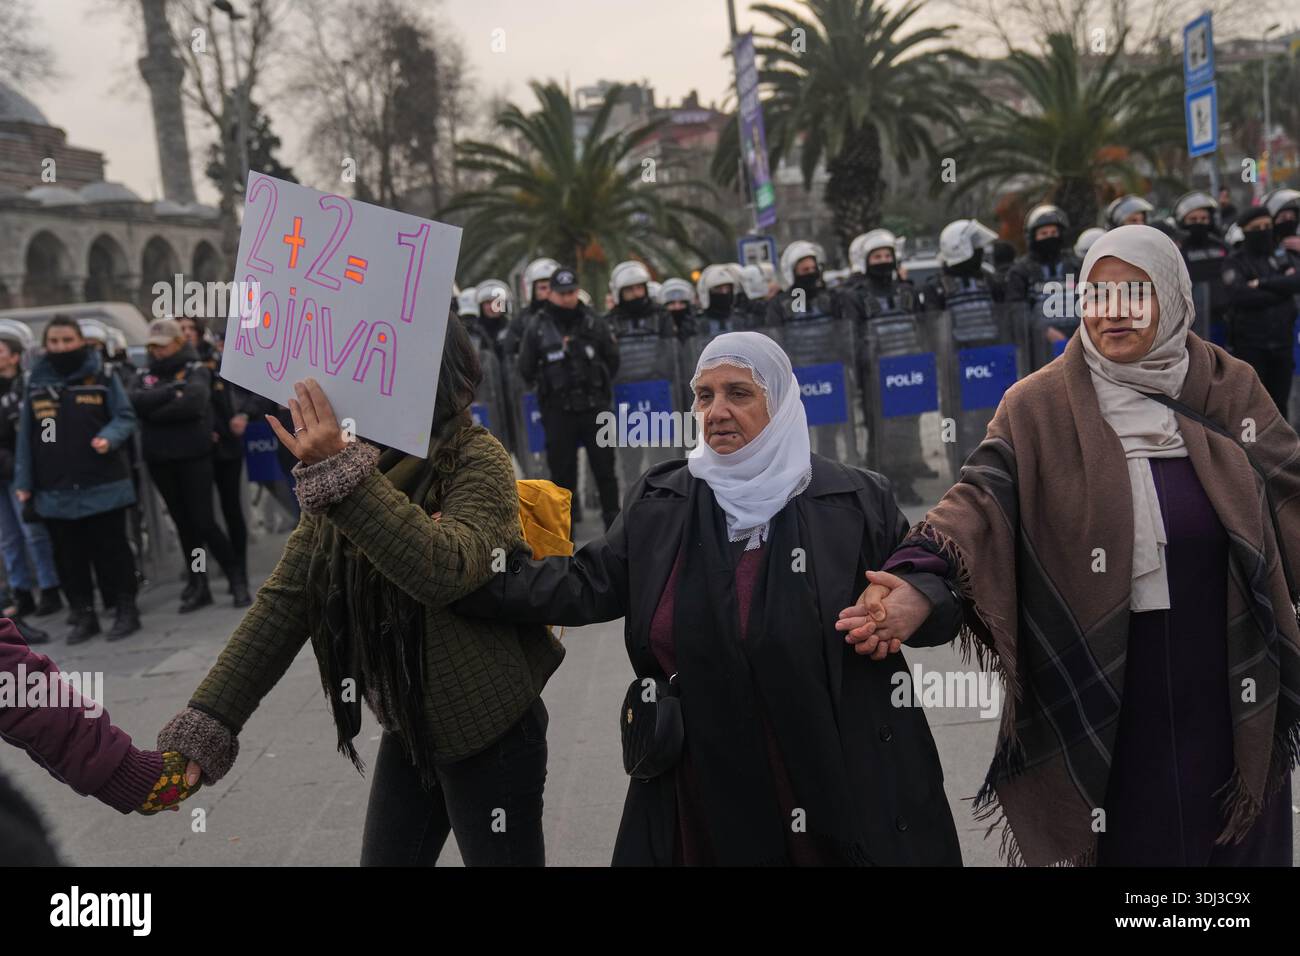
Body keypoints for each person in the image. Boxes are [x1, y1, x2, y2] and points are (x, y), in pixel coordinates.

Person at [846, 224, 1299, 866]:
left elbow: (1289, 489)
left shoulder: (1228, 389)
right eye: (1096, 295)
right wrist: (917, 584)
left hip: (1228, 668)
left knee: (1230, 847)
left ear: (1171, 297)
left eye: (1134, 293)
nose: (1111, 312)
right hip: (1109, 679)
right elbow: (978, 499)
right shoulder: (1038, 407)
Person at [455, 331, 963, 866]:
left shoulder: (857, 500)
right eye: (704, 395)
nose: (716, 411)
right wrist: (467, 568)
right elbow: (586, 583)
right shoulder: (663, 501)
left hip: (837, 780)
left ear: (782, 402)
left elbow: (930, 590)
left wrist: (919, 603)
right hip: (702, 795)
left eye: (739, 394)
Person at [157, 315, 563, 866]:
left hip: (489, 730)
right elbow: (289, 597)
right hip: (411, 725)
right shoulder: (354, 461)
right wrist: (208, 723)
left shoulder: (475, 456)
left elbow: (443, 571)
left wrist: (343, 474)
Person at [15, 316, 141, 644]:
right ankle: (84, 615)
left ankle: (126, 609)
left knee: (112, 551)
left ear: (80, 342)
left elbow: (125, 416)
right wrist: (24, 482)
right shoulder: (35, 382)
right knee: (69, 558)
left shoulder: (103, 375)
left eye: (67, 341)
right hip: (54, 488)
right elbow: (27, 436)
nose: (60, 347)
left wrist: (109, 437)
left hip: (103, 483)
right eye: (54, 342)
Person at [130, 319, 251, 611]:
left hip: (193, 455)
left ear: (177, 344)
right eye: (153, 347)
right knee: (184, 525)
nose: (157, 352)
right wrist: (172, 392)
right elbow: (135, 401)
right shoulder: (144, 372)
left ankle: (236, 575)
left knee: (203, 521)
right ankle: (199, 581)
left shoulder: (196, 369)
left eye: (163, 346)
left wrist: (154, 410)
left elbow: (194, 403)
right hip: (160, 458)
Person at [517, 266, 621, 530]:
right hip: (558, 411)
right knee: (563, 476)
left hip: (593, 407)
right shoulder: (537, 326)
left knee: (605, 471)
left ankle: (615, 527)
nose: (567, 298)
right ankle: (566, 534)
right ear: (550, 293)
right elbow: (526, 367)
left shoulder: (593, 321)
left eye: (572, 292)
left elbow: (612, 359)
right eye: (561, 293)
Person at [845, 229, 927, 505]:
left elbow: (923, 327)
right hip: (876, 376)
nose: (882, 260)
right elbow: (851, 336)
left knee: (907, 430)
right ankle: (878, 486)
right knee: (879, 432)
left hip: (908, 371)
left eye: (886, 255)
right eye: (876, 256)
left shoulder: (907, 292)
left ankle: (905, 483)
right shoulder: (857, 297)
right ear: (866, 261)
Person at [180, 315, 250, 599]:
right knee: (198, 518)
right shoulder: (174, 365)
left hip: (225, 448)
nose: (185, 334)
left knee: (232, 509)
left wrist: (243, 415)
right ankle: (200, 576)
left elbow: (245, 394)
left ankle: (240, 573)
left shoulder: (220, 359)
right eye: (179, 329)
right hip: (195, 451)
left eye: (189, 329)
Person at [0, 323, 61, 621]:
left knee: (33, 532)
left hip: (21, 470)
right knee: (8, 537)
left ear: (14, 355)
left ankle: (50, 588)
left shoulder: (28, 386)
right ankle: (21, 591)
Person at [1221, 206, 1300, 414]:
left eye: (1267, 226)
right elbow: (1240, 296)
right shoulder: (1235, 261)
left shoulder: (1280, 256)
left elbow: (1296, 282)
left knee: (1280, 405)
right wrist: (1281, 291)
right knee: (1255, 407)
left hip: (1282, 345)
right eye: (1257, 228)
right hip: (1250, 346)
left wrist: (1262, 284)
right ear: (1246, 231)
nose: (1264, 231)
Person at [1006, 204, 1082, 366]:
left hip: (1078, 342)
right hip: (1039, 348)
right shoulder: (1020, 271)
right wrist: (1043, 331)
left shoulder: (1075, 266)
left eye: (1054, 233)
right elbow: (1018, 312)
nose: (1050, 237)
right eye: (1044, 233)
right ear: (1033, 237)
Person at [1173, 190, 1231, 344]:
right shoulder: (1177, 250)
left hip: (1223, 319)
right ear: (1182, 221)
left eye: (1204, 218)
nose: (1199, 222)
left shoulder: (1221, 246)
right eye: (1193, 219)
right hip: (1192, 323)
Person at [765, 241, 860, 326]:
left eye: (813, 269)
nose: (811, 273)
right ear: (793, 273)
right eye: (805, 270)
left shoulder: (832, 299)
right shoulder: (779, 305)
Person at [605, 261, 675, 339]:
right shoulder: (610, 321)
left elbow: (670, 346)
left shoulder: (661, 314)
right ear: (620, 293)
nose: (636, 293)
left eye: (639, 287)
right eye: (629, 290)